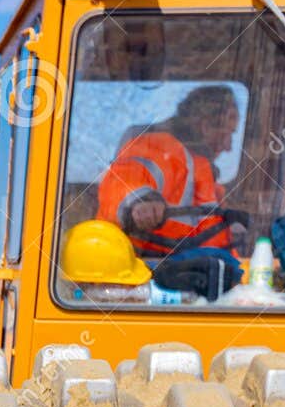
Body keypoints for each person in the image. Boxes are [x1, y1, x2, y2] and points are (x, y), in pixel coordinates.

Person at [97, 85, 249, 296]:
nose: (229, 146)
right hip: (141, 285)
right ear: (206, 127)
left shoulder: (202, 170)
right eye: (228, 133)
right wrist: (140, 201)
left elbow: (208, 241)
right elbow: (123, 179)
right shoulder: (161, 149)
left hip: (192, 284)